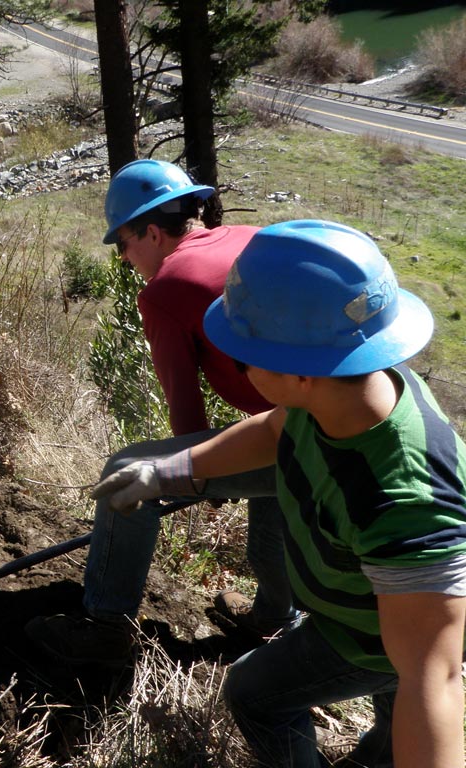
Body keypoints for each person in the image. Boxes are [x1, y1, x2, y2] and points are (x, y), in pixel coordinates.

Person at [94, 219, 466, 767]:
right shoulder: (354, 382)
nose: (239, 371)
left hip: (368, 637)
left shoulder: (403, 500)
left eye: (244, 358)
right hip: (368, 610)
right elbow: (274, 430)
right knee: (390, 729)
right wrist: (171, 472)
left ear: (301, 372)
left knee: (256, 694)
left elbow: (433, 678)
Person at [26, 159, 297, 666]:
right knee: (272, 522)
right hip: (315, 415)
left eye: (124, 245)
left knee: (124, 471)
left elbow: (185, 407)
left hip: (295, 431)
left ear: (150, 232)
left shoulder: (166, 288)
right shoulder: (252, 236)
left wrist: (196, 472)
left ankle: (105, 627)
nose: (126, 259)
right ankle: (274, 620)